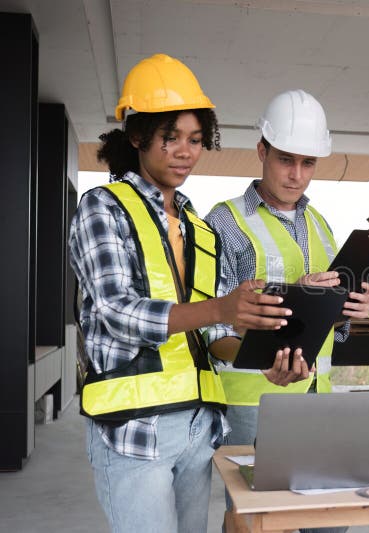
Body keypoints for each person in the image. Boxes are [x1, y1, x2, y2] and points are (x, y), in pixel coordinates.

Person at [69, 53, 288, 533]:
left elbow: (212, 335)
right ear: (137, 136)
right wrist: (222, 307)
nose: (185, 152)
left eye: (194, 140)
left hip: (198, 428)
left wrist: (262, 357)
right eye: (170, 139)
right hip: (133, 429)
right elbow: (115, 312)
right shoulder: (102, 209)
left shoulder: (198, 229)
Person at [205, 89, 369, 533]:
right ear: (262, 150)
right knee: (258, 522)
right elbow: (212, 332)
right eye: (285, 159)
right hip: (254, 405)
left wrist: (346, 310)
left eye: (308, 163)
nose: (297, 175)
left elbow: (327, 331)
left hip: (318, 400)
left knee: (330, 521)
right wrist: (289, 301)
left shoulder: (319, 225)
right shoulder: (225, 222)